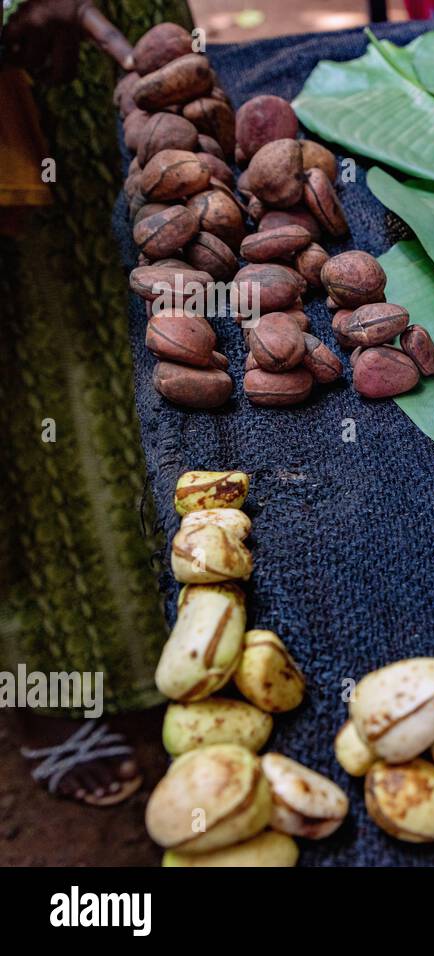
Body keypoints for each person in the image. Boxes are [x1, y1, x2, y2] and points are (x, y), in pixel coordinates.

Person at [0, 0, 191, 805]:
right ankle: (35, 682)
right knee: (33, 364)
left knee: (151, 324)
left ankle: (175, 643)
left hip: (108, 49)